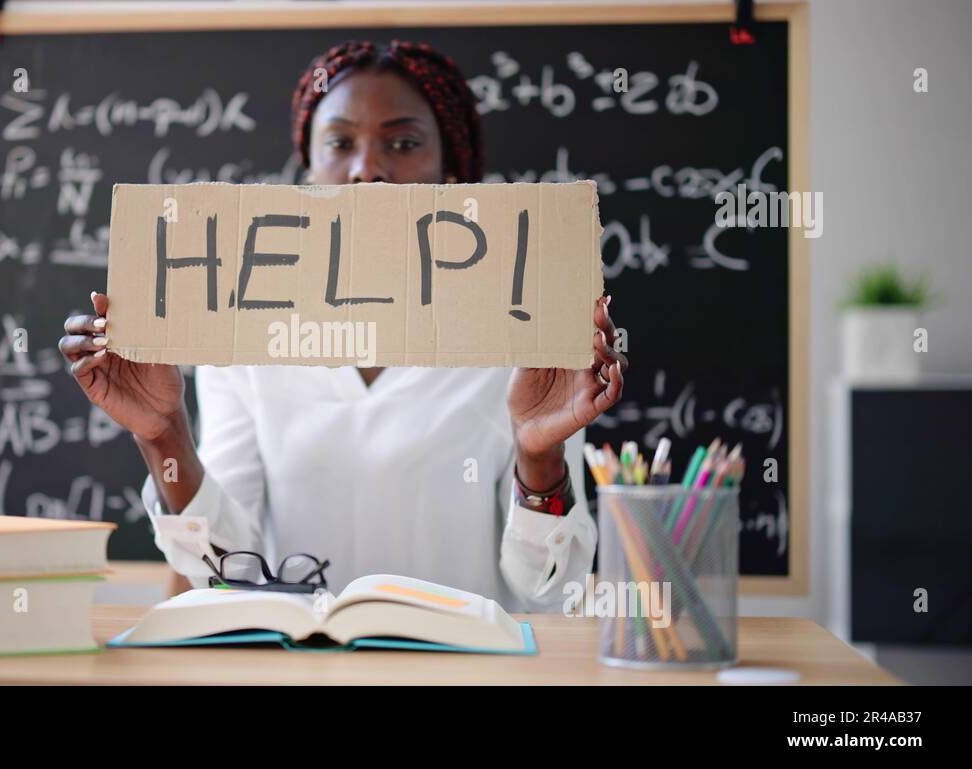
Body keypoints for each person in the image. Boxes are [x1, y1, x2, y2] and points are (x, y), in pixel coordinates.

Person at [59, 40, 627, 612]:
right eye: (339, 143)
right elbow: (227, 574)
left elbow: (550, 588)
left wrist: (540, 458)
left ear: (452, 171)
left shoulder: (522, 330)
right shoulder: (239, 329)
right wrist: (164, 436)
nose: (366, 170)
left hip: (469, 669)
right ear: (308, 167)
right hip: (303, 664)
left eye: (403, 143)